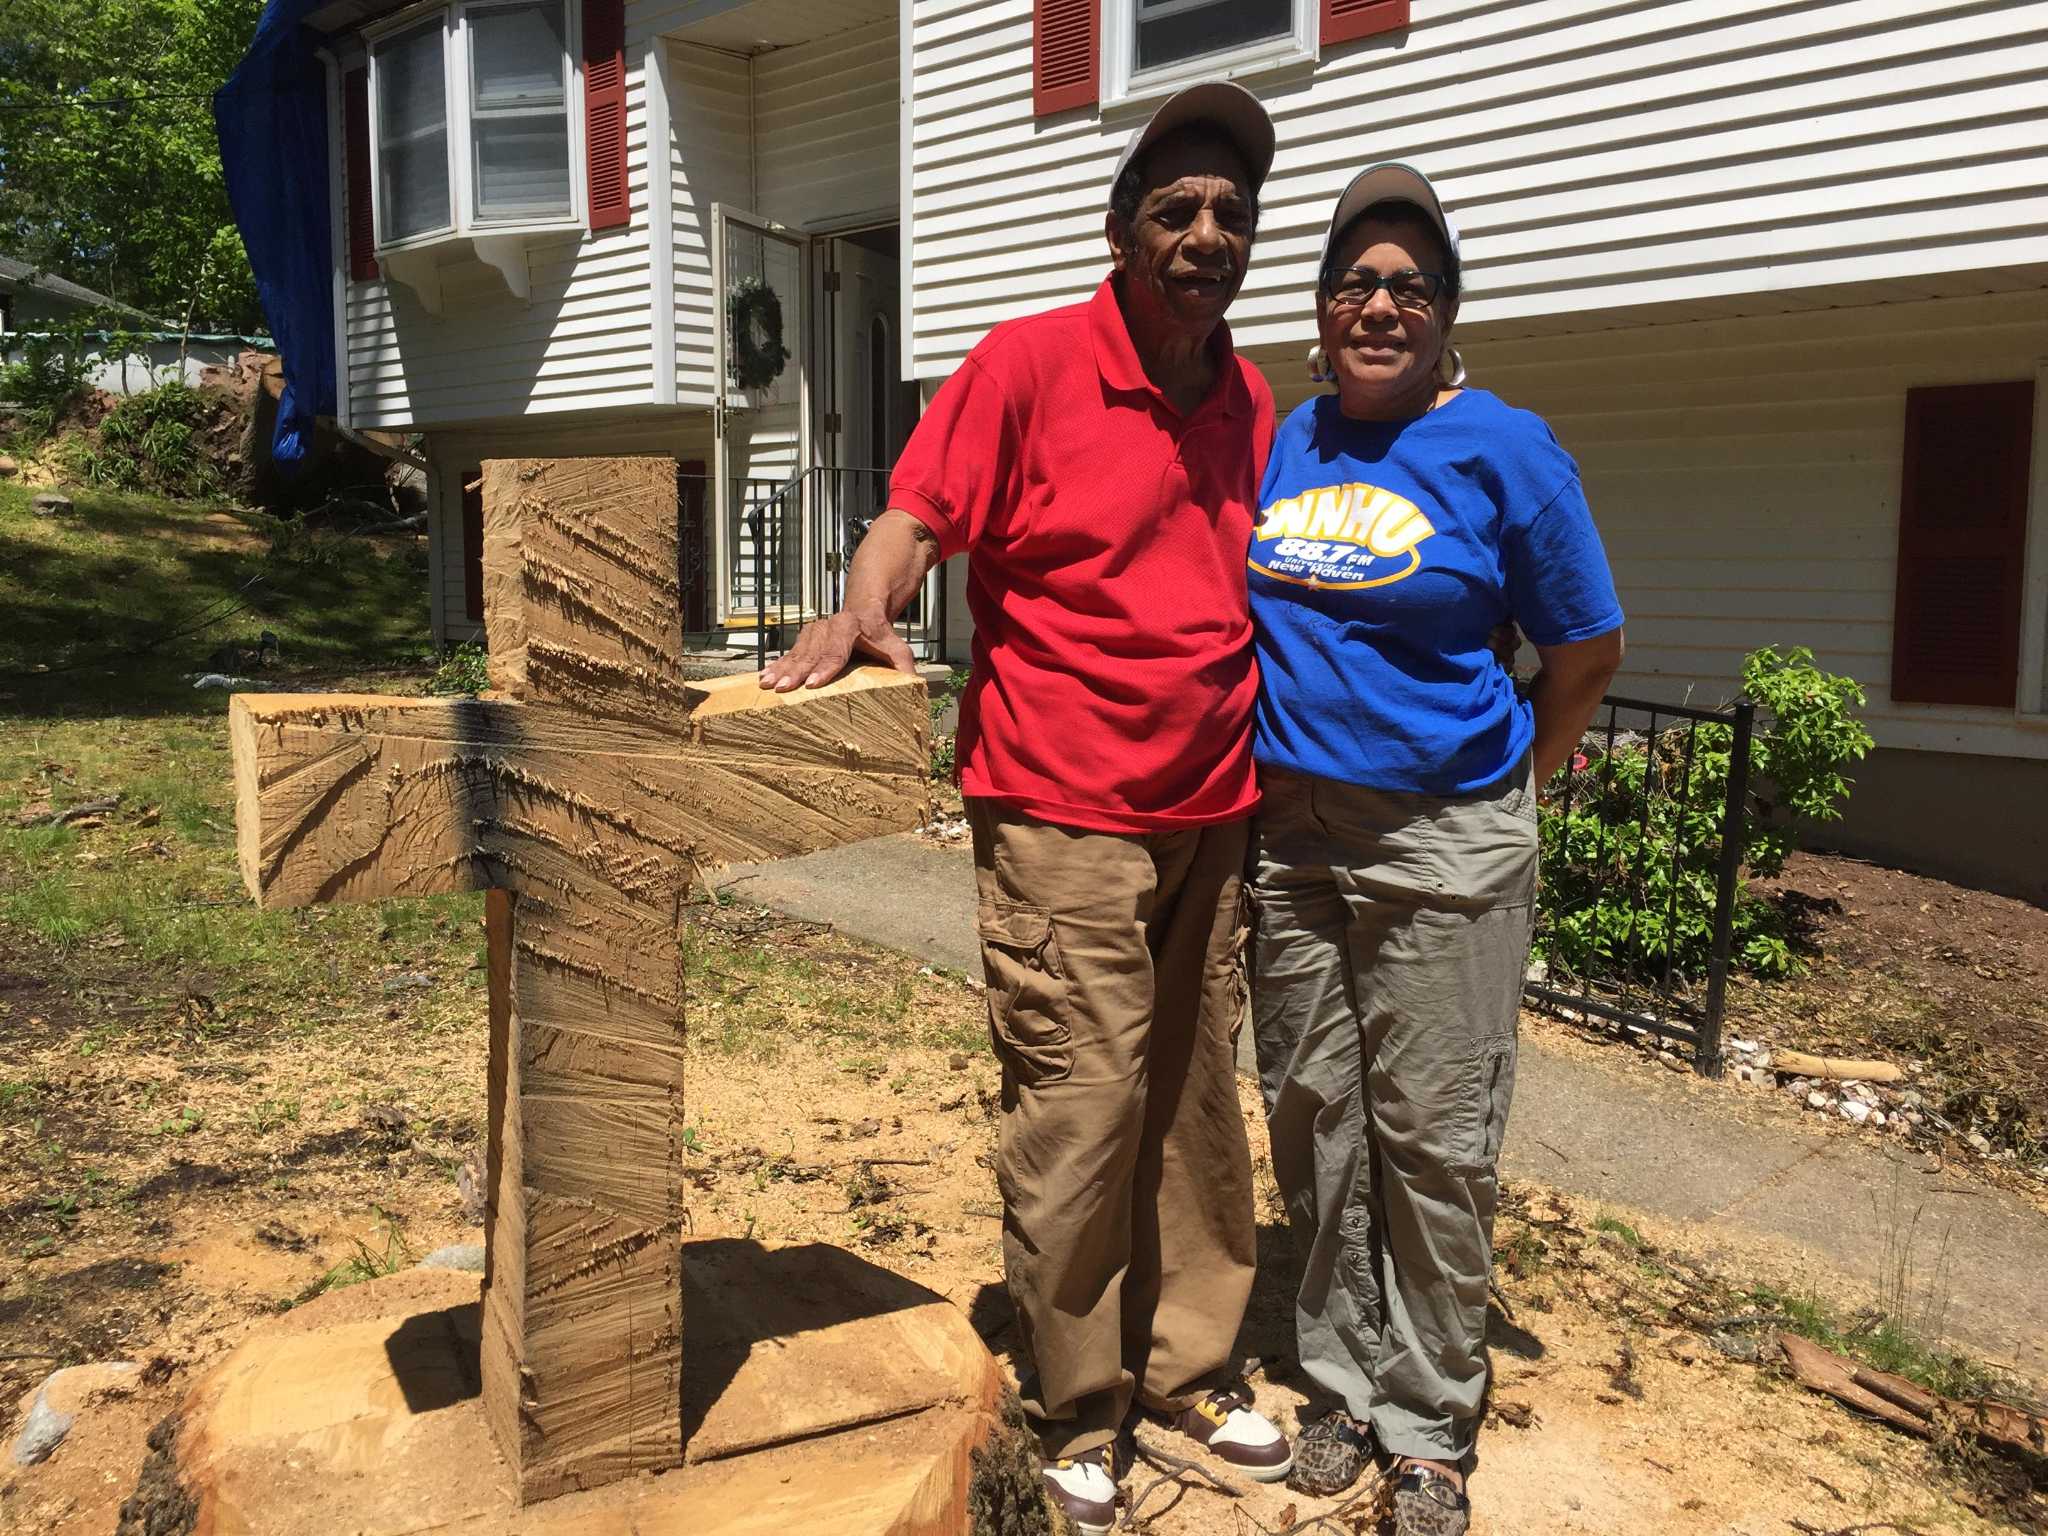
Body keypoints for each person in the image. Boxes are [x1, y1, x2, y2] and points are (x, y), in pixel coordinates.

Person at [759, 82, 1294, 1534]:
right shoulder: (1029, 363)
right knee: (1081, 1098)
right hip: (1062, 802)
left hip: (1211, 806)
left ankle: (1189, 1367)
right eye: (1175, 210)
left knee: (1190, 1096)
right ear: (1121, 232)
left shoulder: (1248, 397)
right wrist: (862, 608)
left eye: (1230, 215)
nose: (1205, 235)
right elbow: (917, 517)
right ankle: (1084, 1400)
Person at [1246, 163, 1625, 1534]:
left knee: (1435, 1137)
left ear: (1448, 311)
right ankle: (1342, 1385)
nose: (1381, 304)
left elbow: (1586, 647)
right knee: (1317, 1118)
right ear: (1323, 305)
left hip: (1445, 840)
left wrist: (1520, 774)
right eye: (1357, 281)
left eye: (1410, 284)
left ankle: (1428, 1425)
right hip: (1292, 839)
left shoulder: (1507, 448)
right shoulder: (1290, 440)